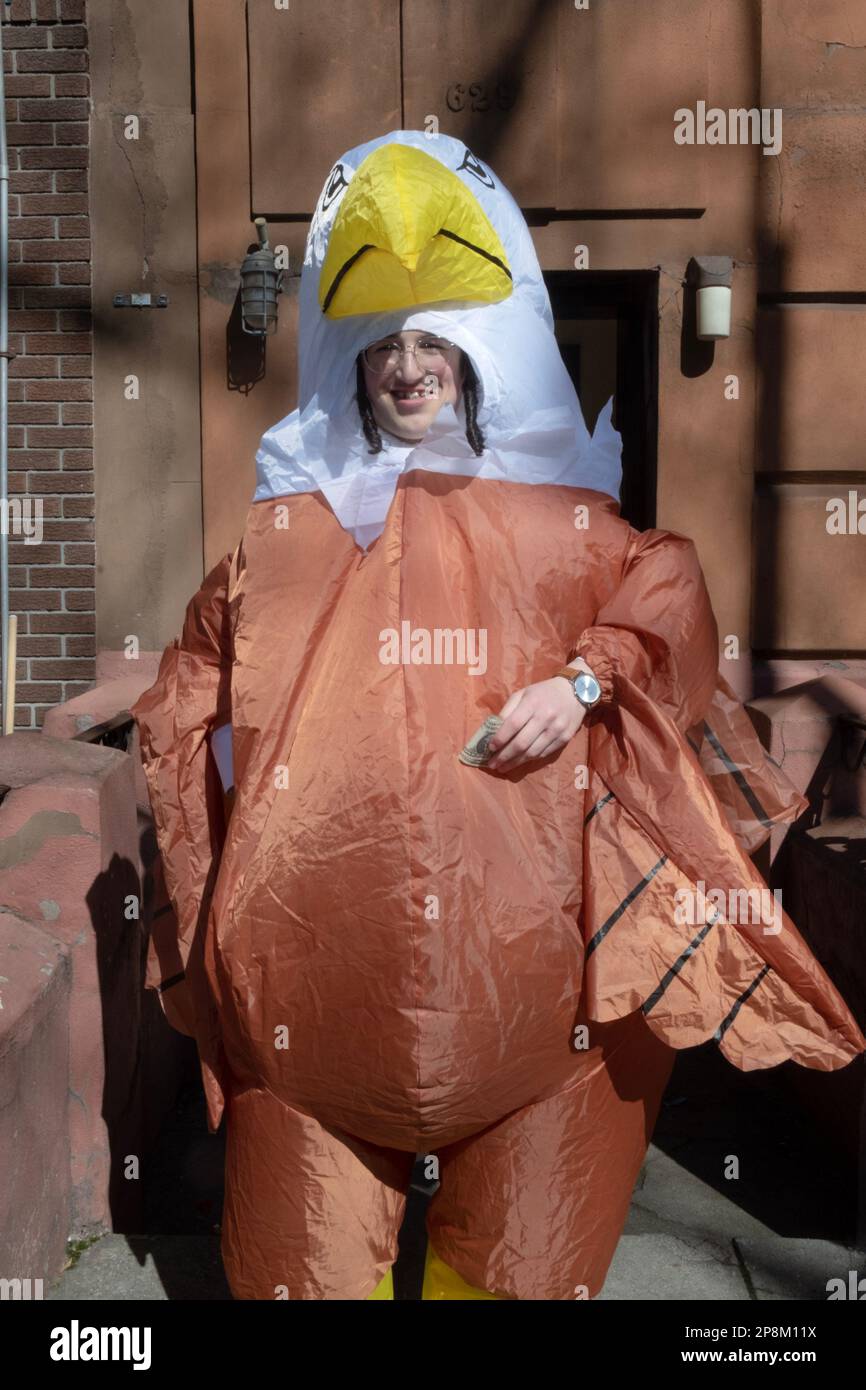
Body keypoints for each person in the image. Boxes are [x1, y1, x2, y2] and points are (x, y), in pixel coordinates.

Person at [131, 130, 866, 1301]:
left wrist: (582, 682)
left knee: (521, 1274)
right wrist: (222, 905)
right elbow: (185, 707)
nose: (409, 366)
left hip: (540, 1018)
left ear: (475, 359)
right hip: (315, 1013)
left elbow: (667, 602)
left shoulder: (570, 526)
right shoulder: (276, 543)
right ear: (353, 366)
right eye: (385, 347)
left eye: (435, 341)